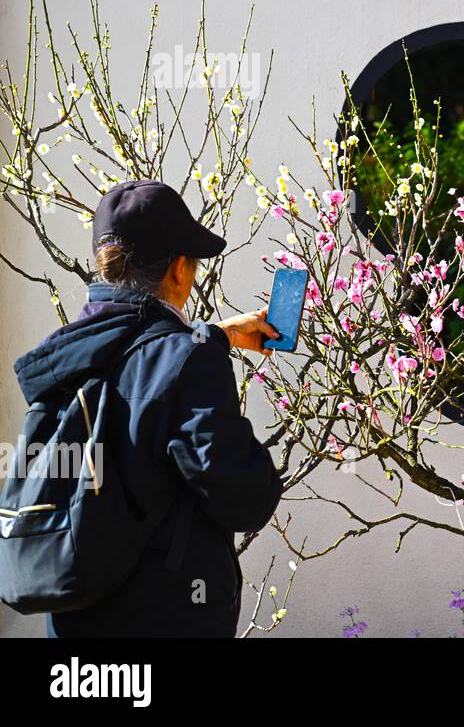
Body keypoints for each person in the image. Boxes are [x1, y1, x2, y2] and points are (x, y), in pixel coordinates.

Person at [12, 179, 284, 637]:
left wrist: (213, 335)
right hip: (164, 618)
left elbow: (136, 366)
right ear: (179, 270)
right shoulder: (189, 361)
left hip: (74, 625)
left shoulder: (67, 355)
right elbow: (243, 498)